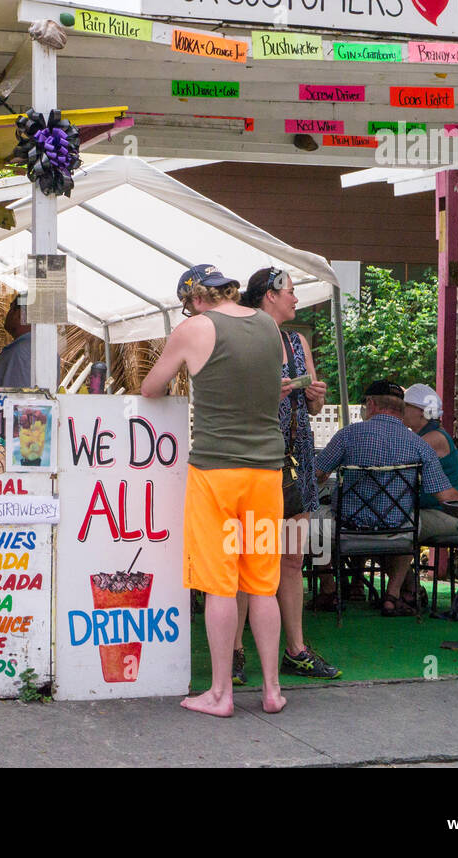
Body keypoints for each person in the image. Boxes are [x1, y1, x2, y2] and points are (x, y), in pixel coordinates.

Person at [142, 264, 287, 716]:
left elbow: (151, 388)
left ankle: (221, 694)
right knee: (263, 586)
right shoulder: (269, 326)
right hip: (266, 473)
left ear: (194, 299)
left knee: (220, 586)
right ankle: (272, 691)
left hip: (215, 473)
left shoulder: (193, 328)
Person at [231, 268, 341, 681]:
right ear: (269, 296)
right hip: (255, 462)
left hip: (295, 462)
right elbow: (231, 401)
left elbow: (312, 410)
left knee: (292, 559)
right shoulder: (242, 338)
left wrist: (315, 396)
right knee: (247, 560)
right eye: (291, 292)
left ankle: (295, 649)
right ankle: (236, 651)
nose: (296, 299)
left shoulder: (297, 342)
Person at [314, 380, 458, 616]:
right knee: (409, 517)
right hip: (398, 532)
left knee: (308, 520)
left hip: (347, 529)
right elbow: (445, 494)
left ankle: (329, 589)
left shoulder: (347, 435)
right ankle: (392, 596)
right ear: (401, 409)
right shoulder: (419, 445)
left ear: (371, 404)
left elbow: (316, 475)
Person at [402, 383, 458, 605]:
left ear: (421, 411)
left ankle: (406, 591)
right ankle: (406, 589)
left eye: (405, 406)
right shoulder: (426, 435)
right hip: (431, 510)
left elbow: (395, 458)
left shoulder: (432, 438)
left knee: (397, 526)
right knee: (389, 523)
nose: (401, 410)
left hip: (447, 514)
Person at [0, 295, 31, 387]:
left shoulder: (20, 353)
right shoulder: (40, 349)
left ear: (20, 314)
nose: (7, 314)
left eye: (11, 308)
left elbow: (16, 398)